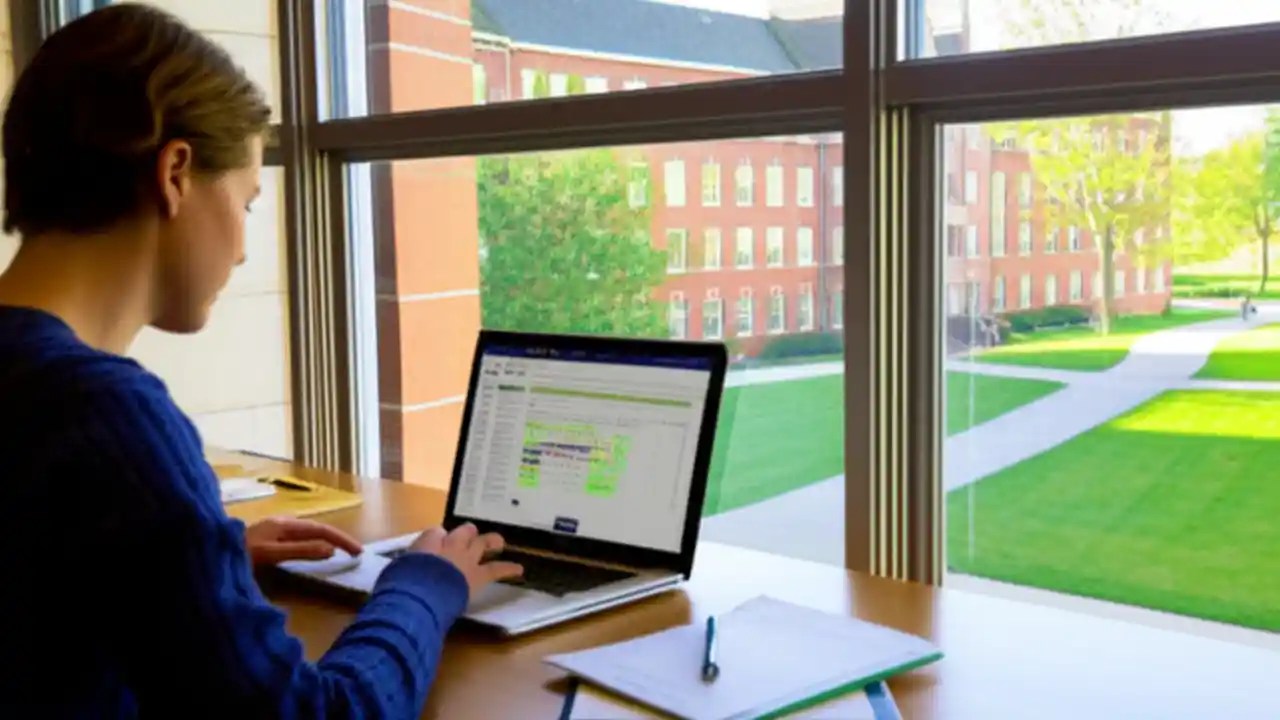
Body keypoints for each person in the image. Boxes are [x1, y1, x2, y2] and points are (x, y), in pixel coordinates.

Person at [0, 5, 521, 718]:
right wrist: (424, 583)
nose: (244, 249)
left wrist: (195, 563)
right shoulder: (103, 413)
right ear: (176, 173)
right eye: (246, 201)